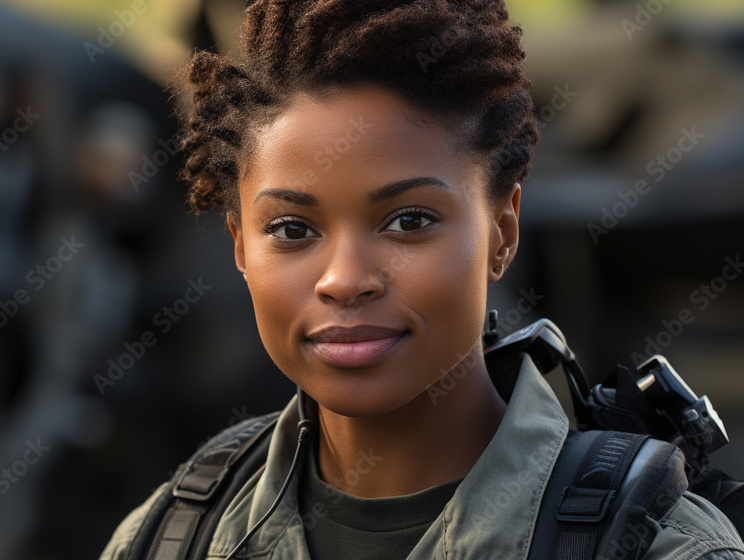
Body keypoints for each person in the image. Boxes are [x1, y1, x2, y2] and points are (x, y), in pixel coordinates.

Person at [100, 1, 744, 558]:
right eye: (293, 229)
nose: (346, 280)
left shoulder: (661, 546)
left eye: (408, 221)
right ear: (240, 248)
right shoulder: (169, 536)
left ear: (502, 230)